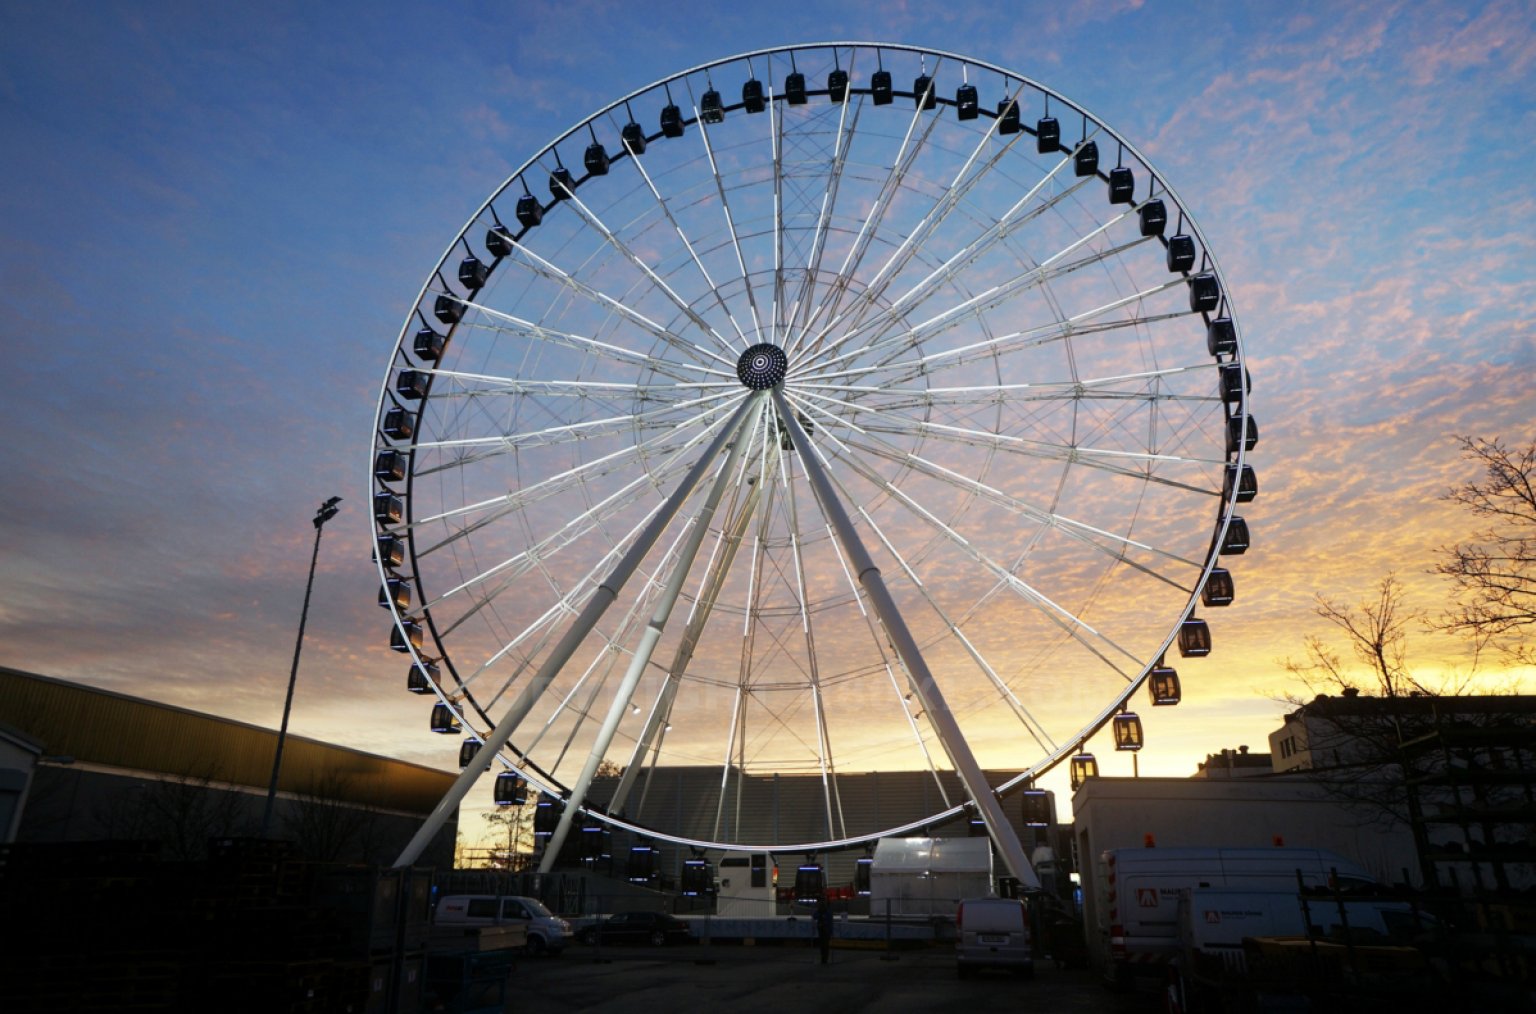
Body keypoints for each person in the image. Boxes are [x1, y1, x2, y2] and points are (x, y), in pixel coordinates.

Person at [814, 899, 833, 964]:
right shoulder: (820, 912)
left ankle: (825, 959)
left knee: (825, 946)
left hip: (826, 931)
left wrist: (830, 932)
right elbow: (814, 916)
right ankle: (823, 958)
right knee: (822, 946)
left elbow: (830, 922)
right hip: (821, 930)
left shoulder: (828, 912)